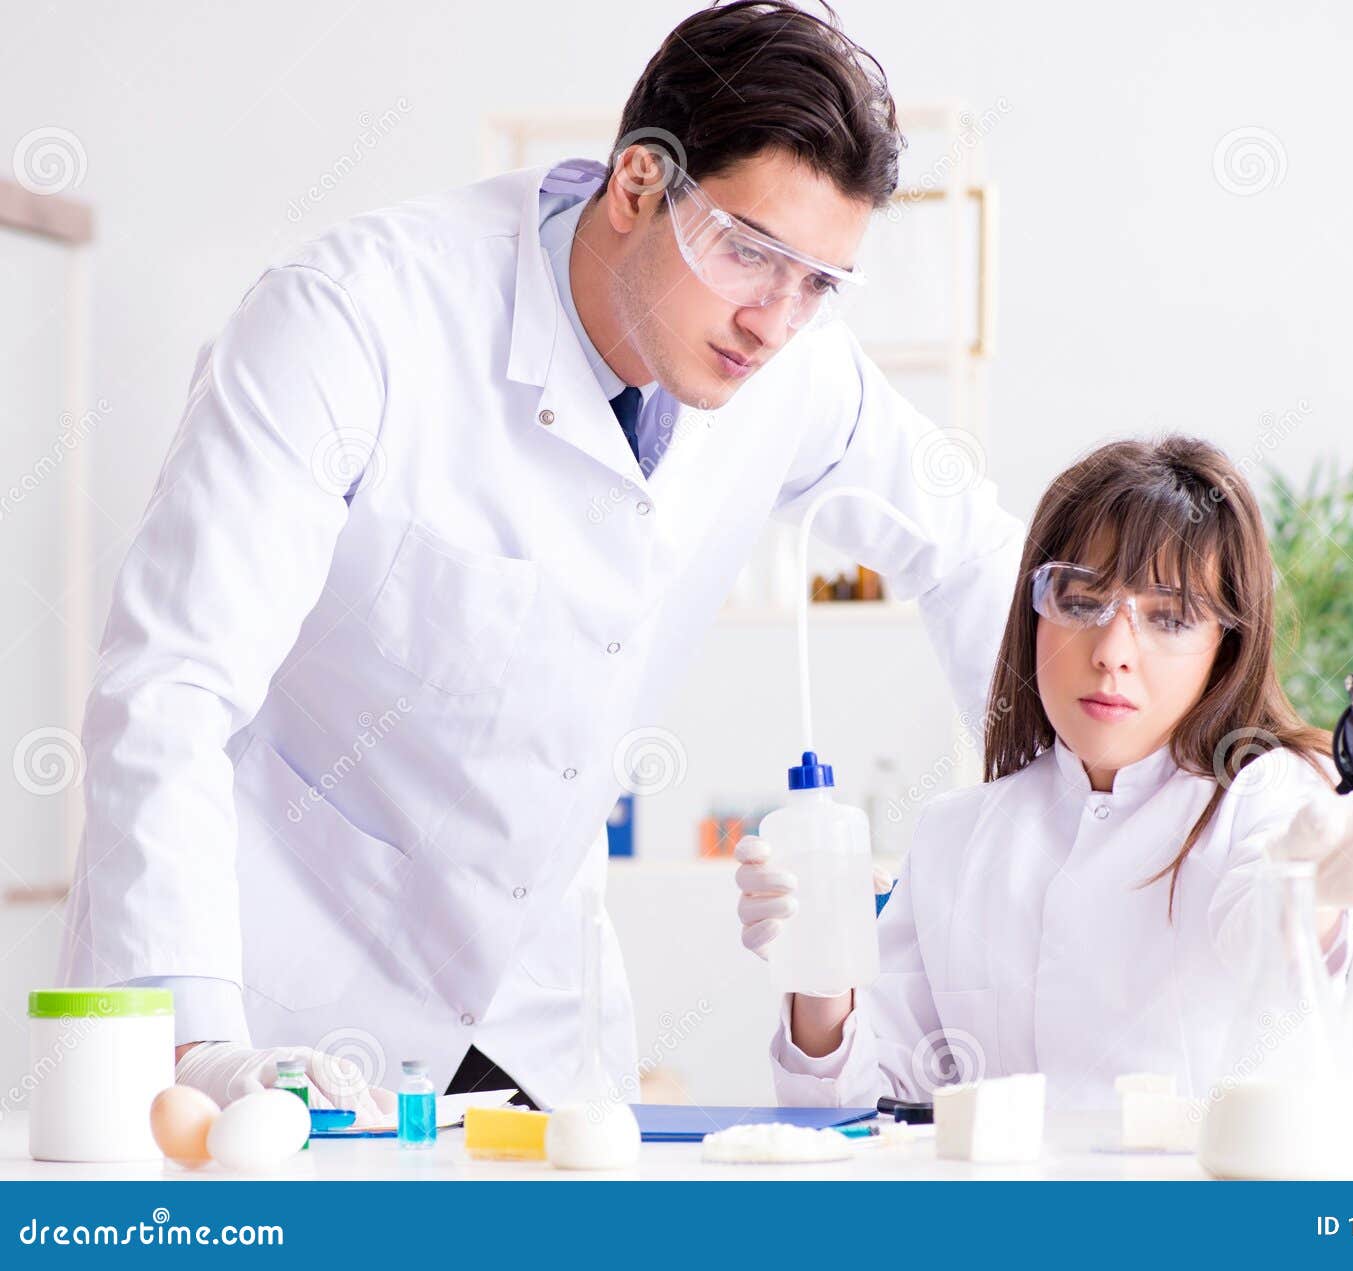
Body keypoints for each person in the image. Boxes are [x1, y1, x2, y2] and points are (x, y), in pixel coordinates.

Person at [59, 1, 1022, 1118]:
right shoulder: (354, 319)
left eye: (819, 282)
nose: (775, 319)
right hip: (277, 1005)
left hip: (535, 1025)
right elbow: (170, 687)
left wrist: (1057, 830)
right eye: (750, 253)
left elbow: (979, 559)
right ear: (638, 184)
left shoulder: (793, 362)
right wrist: (197, 1037)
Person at [735, 436, 1353, 1108]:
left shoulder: (1268, 794)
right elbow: (867, 1096)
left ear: (1226, 646)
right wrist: (821, 968)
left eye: (1170, 617)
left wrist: (1311, 887)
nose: (1112, 652)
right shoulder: (956, 835)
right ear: (1034, 611)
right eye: (1082, 600)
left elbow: (1263, 931)